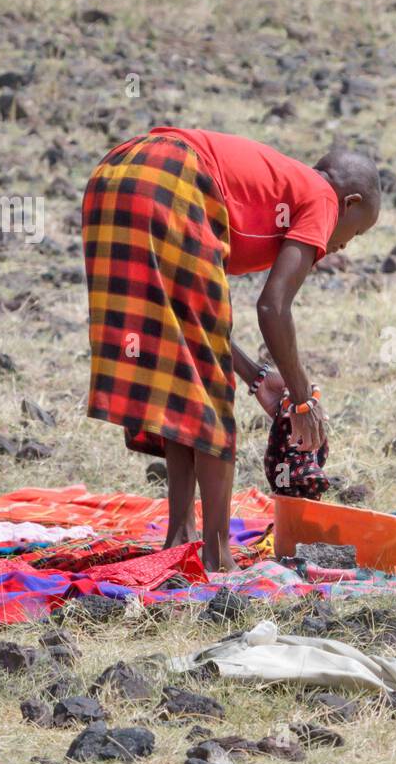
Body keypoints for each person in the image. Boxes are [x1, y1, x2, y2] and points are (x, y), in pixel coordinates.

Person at [81, 128, 380, 572]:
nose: (340, 247)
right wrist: (303, 399)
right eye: (354, 235)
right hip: (172, 178)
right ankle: (219, 558)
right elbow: (273, 307)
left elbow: (195, 327)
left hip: (116, 176)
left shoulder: (283, 189)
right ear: (350, 204)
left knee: (179, 372)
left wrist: (256, 376)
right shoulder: (322, 197)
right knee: (209, 395)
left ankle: (180, 538)